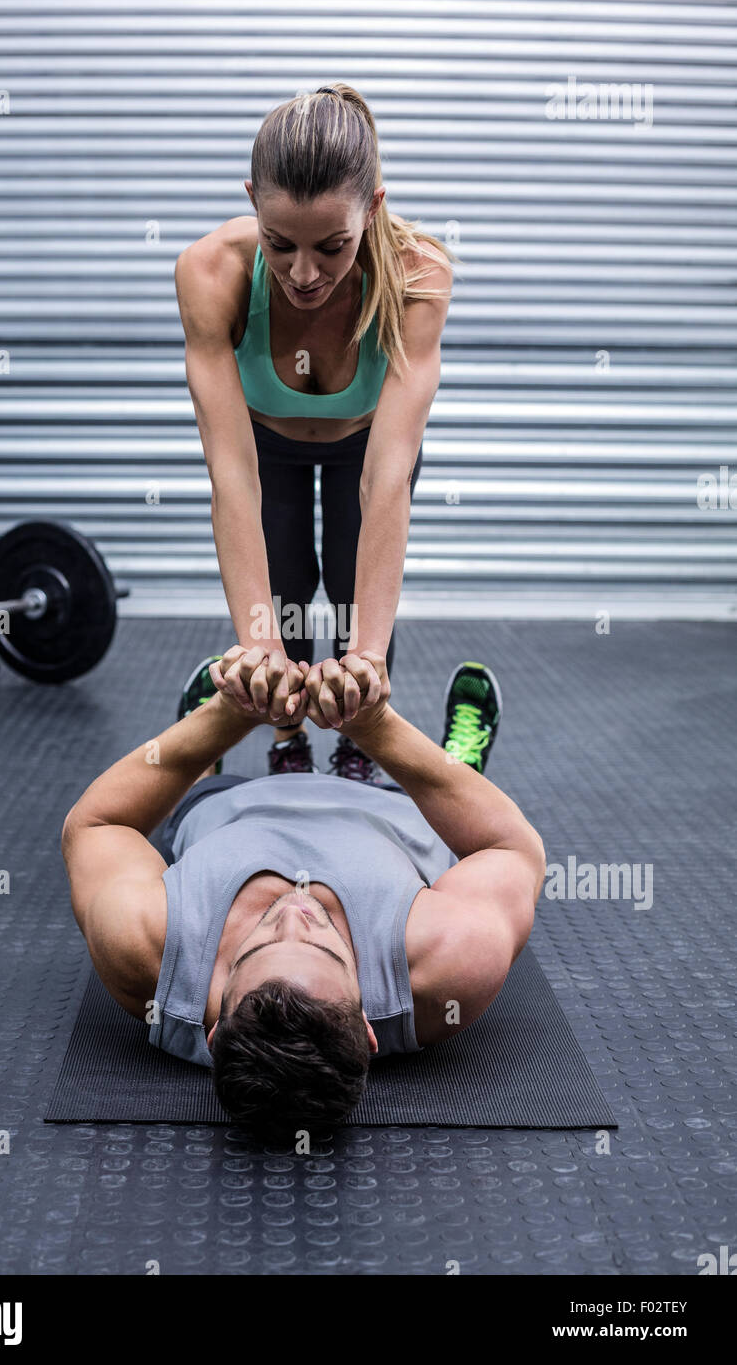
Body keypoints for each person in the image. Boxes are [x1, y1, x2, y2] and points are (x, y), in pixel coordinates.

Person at [62, 648, 545, 1142]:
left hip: (230, 803)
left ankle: (203, 749)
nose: (295, 908)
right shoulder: (445, 964)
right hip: (403, 803)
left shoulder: (149, 948)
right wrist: (376, 727)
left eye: (259, 944)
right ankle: (460, 762)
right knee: (462, 809)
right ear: (368, 1024)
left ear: (213, 1030)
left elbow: (96, 825)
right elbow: (511, 848)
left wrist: (228, 717)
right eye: (321, 945)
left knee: (190, 789)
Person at [174, 82, 455, 781]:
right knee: (289, 594)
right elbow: (230, 477)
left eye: (332, 247)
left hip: (367, 446)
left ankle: (360, 739)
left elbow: (386, 481)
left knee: (356, 597)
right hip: (266, 448)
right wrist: (258, 647)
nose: (304, 274)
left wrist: (366, 661)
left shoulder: (420, 274)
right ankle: (285, 736)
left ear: (374, 208)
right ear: (251, 201)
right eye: (280, 244)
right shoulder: (212, 273)